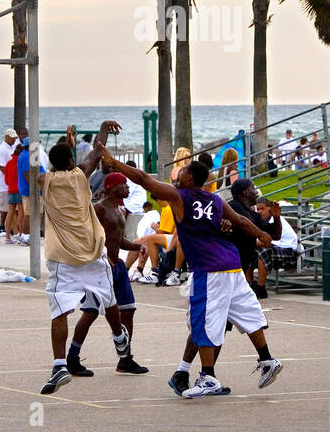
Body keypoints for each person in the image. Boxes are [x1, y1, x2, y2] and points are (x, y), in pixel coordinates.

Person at [100, 147, 282, 399]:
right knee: (247, 314)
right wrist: (261, 233)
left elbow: (142, 178)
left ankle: (208, 377)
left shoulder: (179, 196)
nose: (179, 172)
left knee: (202, 322)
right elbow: (241, 222)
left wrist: (115, 163)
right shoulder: (215, 200)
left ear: (189, 179)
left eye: (183, 170)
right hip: (232, 265)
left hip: (209, 269)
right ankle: (267, 359)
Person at [38, 121, 141, 394]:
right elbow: (96, 151)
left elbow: (44, 170)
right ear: (72, 161)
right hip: (94, 254)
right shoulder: (82, 175)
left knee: (60, 311)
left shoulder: (44, 181)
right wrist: (104, 128)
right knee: (109, 301)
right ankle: (120, 338)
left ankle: (59, 365)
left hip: (63, 258)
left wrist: (55, 153)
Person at [64, 173, 149, 377]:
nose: (128, 188)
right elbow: (85, 236)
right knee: (91, 312)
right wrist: (98, 256)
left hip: (117, 267)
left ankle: (125, 358)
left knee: (128, 310)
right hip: (99, 269)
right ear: (111, 187)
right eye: (123, 185)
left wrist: (137, 246)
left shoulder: (120, 210)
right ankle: (72, 359)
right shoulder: (99, 208)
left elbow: (117, 240)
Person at [227, 178, 280, 299]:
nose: (256, 192)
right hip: (228, 265)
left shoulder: (252, 214)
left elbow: (275, 235)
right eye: (253, 188)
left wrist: (276, 218)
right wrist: (260, 234)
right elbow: (242, 223)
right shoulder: (233, 207)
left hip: (240, 266)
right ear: (245, 192)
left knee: (236, 304)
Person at [0, 128, 18, 242]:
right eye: (12, 138)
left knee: (12, 211)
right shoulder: (1, 149)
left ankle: (15, 234)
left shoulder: (11, 148)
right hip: (0, 185)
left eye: (15, 138)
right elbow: (1, 167)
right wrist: (12, 175)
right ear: (6, 137)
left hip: (8, 185)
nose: (14, 140)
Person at [4, 141, 25, 244]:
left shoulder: (8, 163)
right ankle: (20, 234)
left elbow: (6, 179)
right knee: (21, 213)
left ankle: (7, 236)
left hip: (11, 189)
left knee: (10, 213)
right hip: (20, 189)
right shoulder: (21, 162)